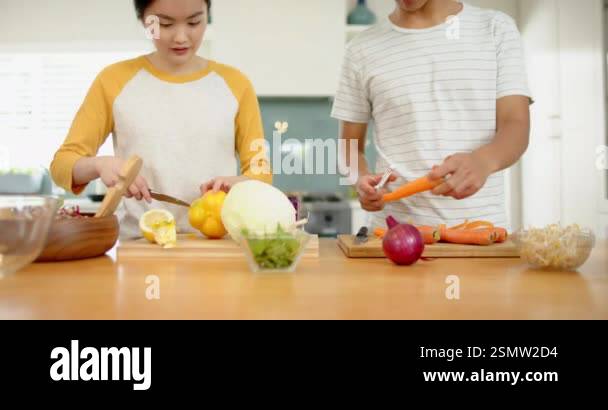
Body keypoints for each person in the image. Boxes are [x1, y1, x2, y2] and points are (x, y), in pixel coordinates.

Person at [51, 0, 272, 238]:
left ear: (208, 15)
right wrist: (99, 165)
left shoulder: (236, 84)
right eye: (164, 24)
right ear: (143, 20)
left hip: (216, 247)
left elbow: (260, 173)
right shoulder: (113, 80)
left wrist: (239, 184)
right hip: (139, 247)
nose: (180, 37)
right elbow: (62, 165)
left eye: (194, 22)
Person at [333, 0, 531, 231]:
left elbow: (516, 124)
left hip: (480, 234)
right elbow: (349, 146)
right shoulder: (361, 49)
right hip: (392, 236)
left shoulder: (495, 28)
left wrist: (484, 161)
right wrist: (360, 179)